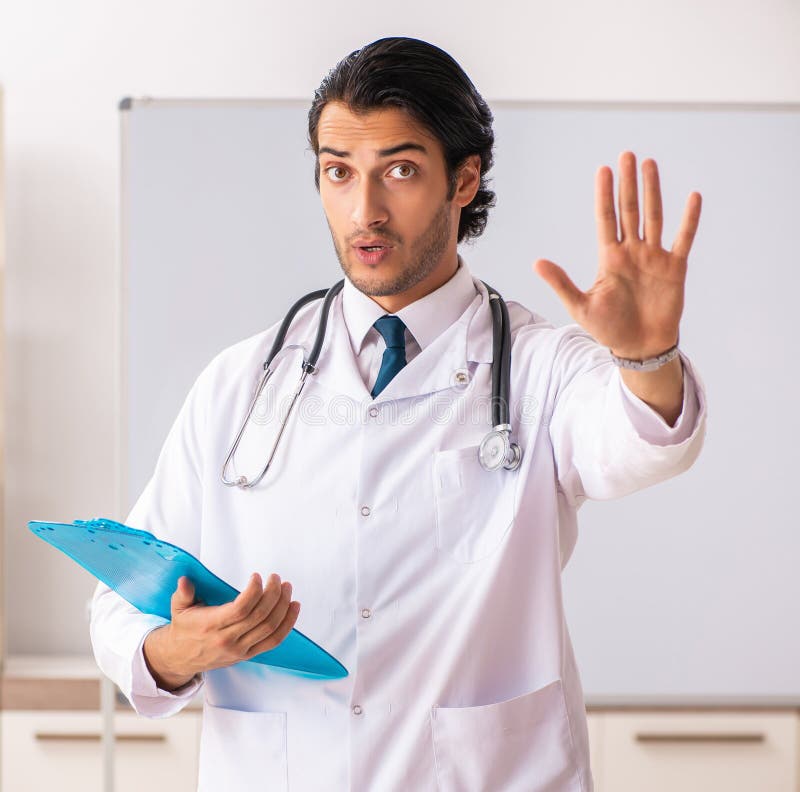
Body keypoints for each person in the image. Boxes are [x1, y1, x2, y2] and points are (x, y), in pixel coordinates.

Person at [90, 36, 706, 792]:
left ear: (465, 179)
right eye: (338, 173)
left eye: (401, 171)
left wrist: (647, 358)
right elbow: (121, 602)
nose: (364, 209)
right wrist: (175, 651)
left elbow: (640, 444)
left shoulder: (542, 368)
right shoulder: (240, 384)